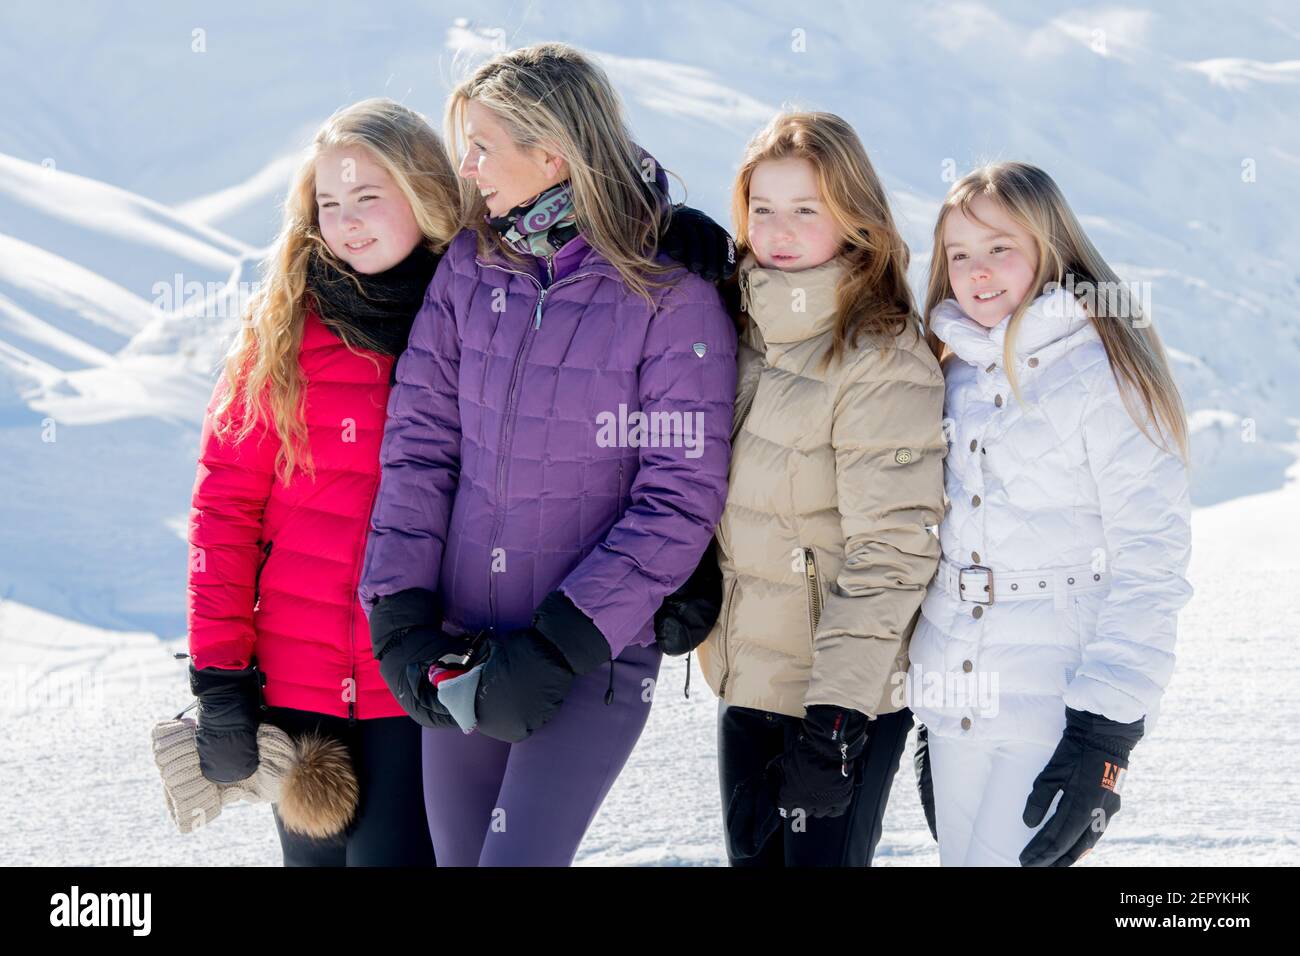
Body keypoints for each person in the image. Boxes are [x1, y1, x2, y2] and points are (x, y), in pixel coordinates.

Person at [907, 162, 1193, 866]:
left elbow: (1150, 562)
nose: (977, 271)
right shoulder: (946, 370)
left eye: (1000, 247)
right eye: (959, 254)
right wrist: (928, 693)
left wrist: (1105, 734)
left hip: (1054, 704)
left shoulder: (1104, 372)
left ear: (1050, 245)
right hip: (955, 697)